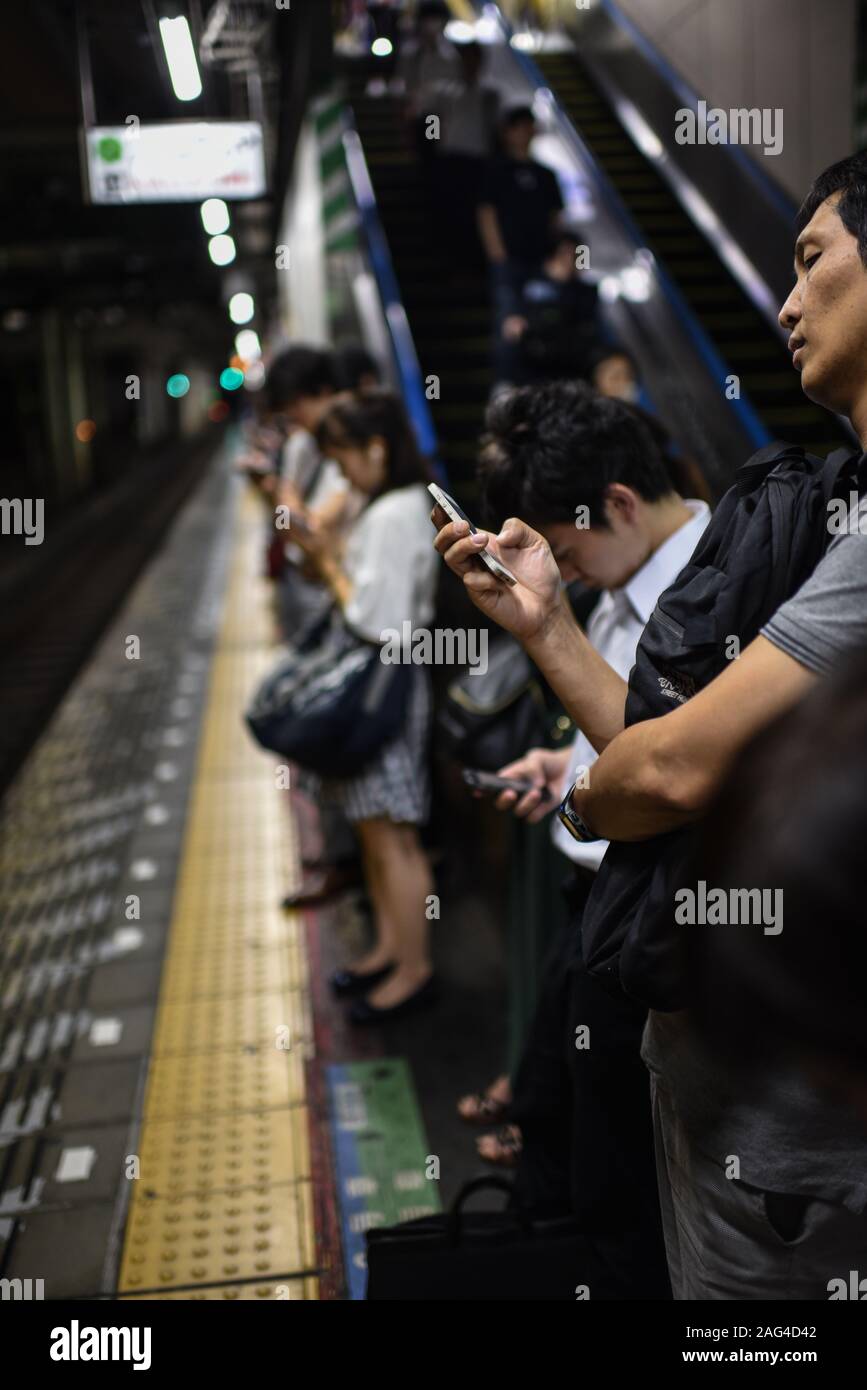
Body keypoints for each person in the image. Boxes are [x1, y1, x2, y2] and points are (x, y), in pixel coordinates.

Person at [432, 150, 867, 1297]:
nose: (782, 301)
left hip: (801, 1142)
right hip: (757, 1108)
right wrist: (549, 630)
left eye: (813, 257)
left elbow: (666, 773)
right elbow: (686, 747)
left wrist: (585, 791)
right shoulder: (836, 505)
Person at [293, 389, 440, 1022]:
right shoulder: (408, 504)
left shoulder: (390, 515)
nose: (344, 475)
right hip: (395, 681)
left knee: (393, 838)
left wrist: (328, 562)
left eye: (346, 459)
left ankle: (412, 968)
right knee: (378, 834)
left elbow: (372, 618)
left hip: (386, 683)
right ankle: (389, 948)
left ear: (376, 449)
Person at [477, 106, 565, 384]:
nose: (525, 133)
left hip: (542, 259)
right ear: (507, 132)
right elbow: (486, 212)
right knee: (509, 320)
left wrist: (557, 254)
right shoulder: (496, 170)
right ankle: (506, 383)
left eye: (529, 127)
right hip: (509, 260)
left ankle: (542, 384)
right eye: (519, 127)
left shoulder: (546, 174)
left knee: (544, 319)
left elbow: (556, 216)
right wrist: (497, 253)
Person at [494, 231, 604, 388]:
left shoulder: (585, 292)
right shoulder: (527, 280)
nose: (568, 260)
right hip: (529, 366)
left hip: (568, 368)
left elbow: (587, 331)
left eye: (575, 255)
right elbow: (514, 326)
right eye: (564, 253)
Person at [429, 41, 500, 267]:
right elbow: (434, 122)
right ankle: (451, 260)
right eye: (466, 58)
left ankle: (473, 261)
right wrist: (436, 146)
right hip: (451, 158)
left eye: (474, 58)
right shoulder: (446, 92)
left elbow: (494, 128)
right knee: (451, 211)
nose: (470, 64)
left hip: (479, 160)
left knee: (475, 212)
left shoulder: (489, 94)